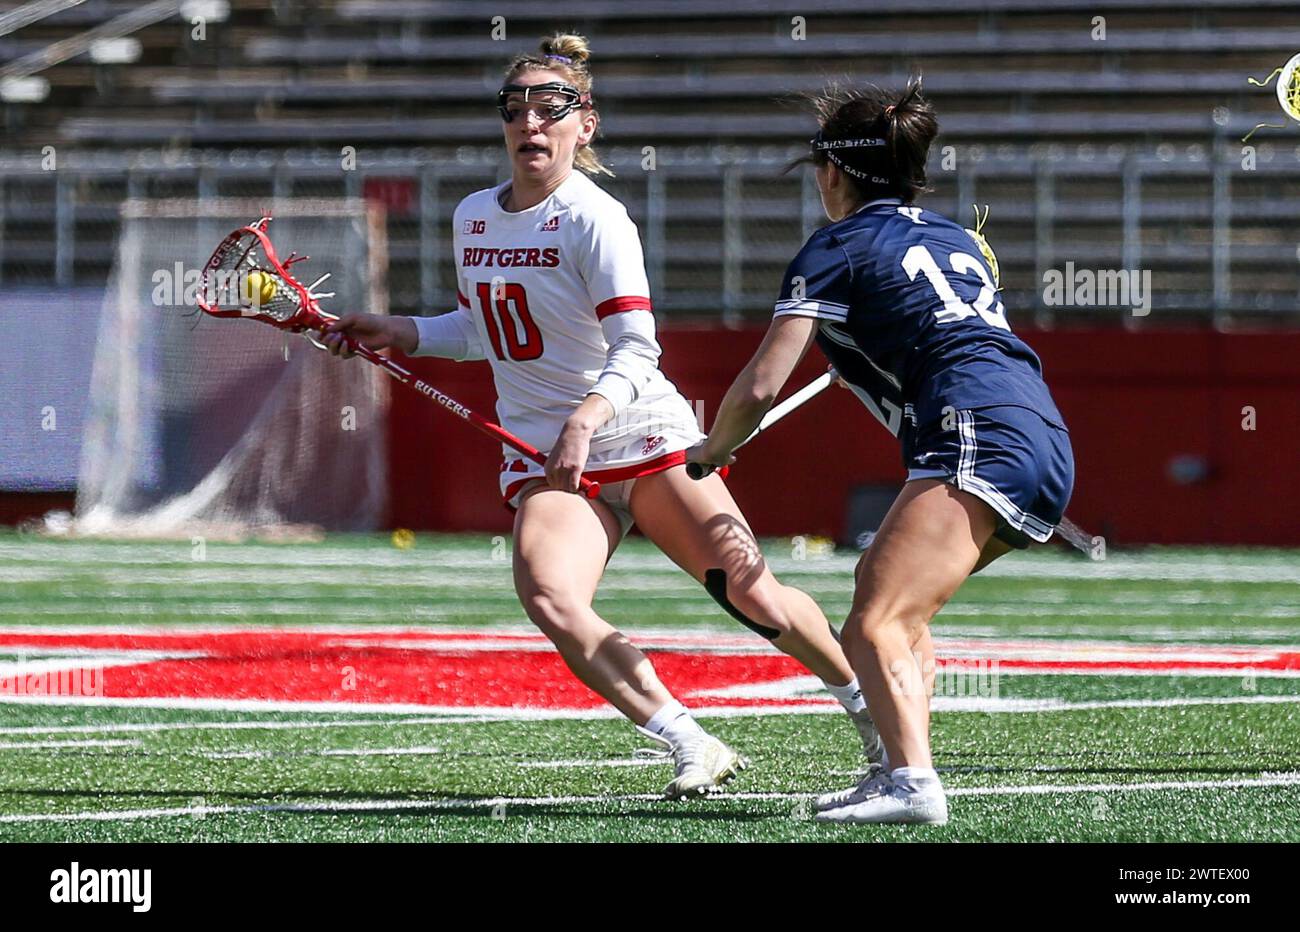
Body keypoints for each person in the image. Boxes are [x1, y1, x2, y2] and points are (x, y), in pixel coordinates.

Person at [319, 33, 884, 799]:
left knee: (756, 598)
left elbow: (637, 345)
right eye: (515, 108)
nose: (530, 122)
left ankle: (872, 713)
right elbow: (485, 329)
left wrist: (585, 419)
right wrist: (402, 330)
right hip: (547, 454)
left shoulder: (595, 217)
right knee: (552, 598)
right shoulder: (474, 216)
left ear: (585, 123)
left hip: (635, 434)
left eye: (549, 108)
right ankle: (690, 741)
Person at [688, 78, 1074, 824]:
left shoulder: (833, 246)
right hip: (1040, 433)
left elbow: (761, 385)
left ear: (833, 173)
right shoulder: (955, 238)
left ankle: (914, 788)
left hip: (975, 429)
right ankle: (895, 770)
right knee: (899, 607)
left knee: (874, 621)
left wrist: (711, 449)